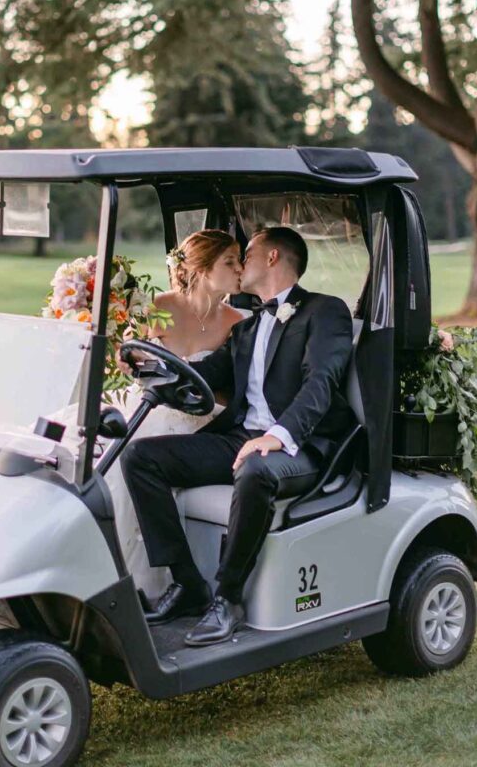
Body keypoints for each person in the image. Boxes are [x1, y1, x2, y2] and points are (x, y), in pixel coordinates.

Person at [121, 226, 354, 647]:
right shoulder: (246, 328)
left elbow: (321, 382)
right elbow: (203, 378)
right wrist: (146, 368)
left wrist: (278, 435)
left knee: (256, 469)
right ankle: (188, 583)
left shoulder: (323, 311)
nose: (241, 262)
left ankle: (227, 598)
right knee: (140, 458)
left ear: (272, 258)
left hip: (298, 445)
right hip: (241, 436)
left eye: (248, 253)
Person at [64, 229, 247, 600]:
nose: (240, 269)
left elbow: (230, 392)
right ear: (202, 267)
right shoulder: (158, 307)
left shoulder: (238, 323)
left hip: (202, 418)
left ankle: (136, 586)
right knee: (82, 445)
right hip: (148, 404)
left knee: (136, 456)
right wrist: (131, 362)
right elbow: (132, 358)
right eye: (230, 261)